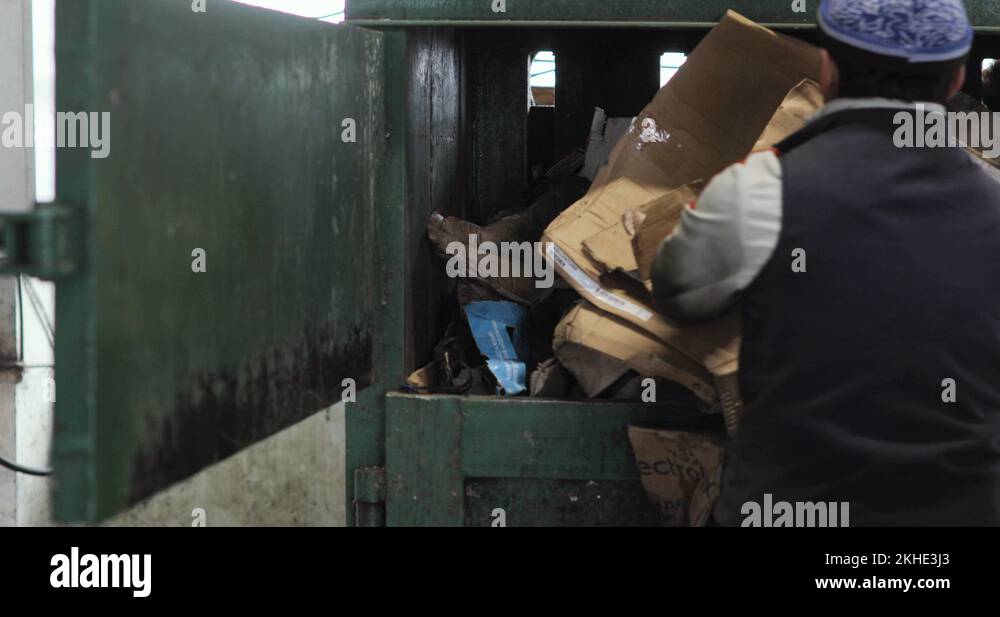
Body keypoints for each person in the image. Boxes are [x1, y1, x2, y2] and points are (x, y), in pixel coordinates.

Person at [652, 0, 1000, 526]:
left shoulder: (761, 187)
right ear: (955, 80)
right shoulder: (994, 205)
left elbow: (678, 291)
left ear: (827, 67)